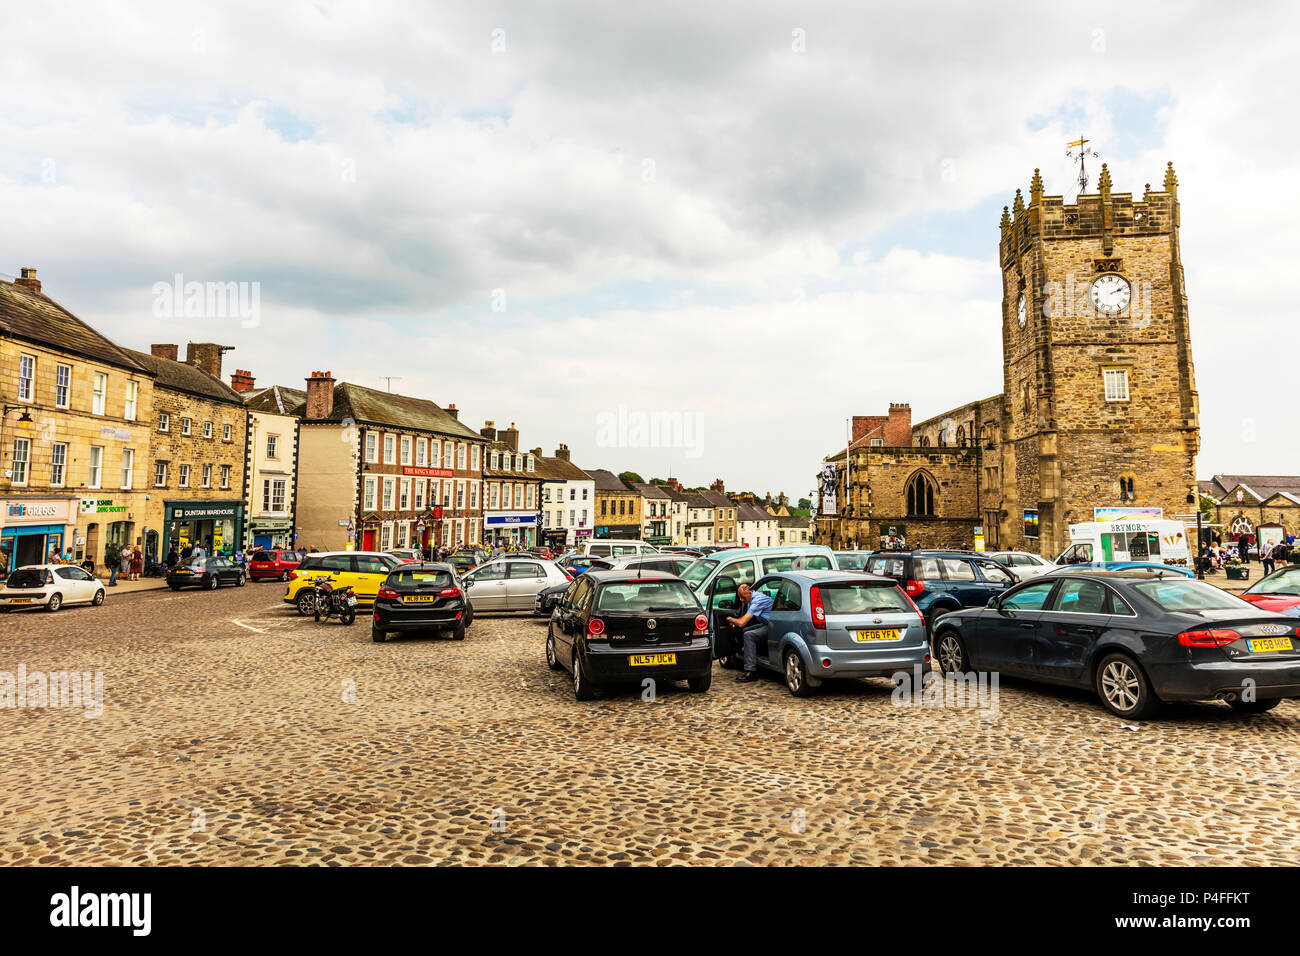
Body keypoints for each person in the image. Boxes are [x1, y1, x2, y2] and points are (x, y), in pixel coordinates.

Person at [727, 582, 774, 684]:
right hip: (767, 624)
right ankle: (751, 656)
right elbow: (744, 621)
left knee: (749, 635)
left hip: (774, 628)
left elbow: (742, 622)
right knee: (746, 631)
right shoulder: (752, 599)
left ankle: (750, 671)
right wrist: (737, 622)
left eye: (743, 597)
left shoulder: (757, 600)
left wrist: (730, 619)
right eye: (740, 598)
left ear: (749, 592)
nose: (741, 600)